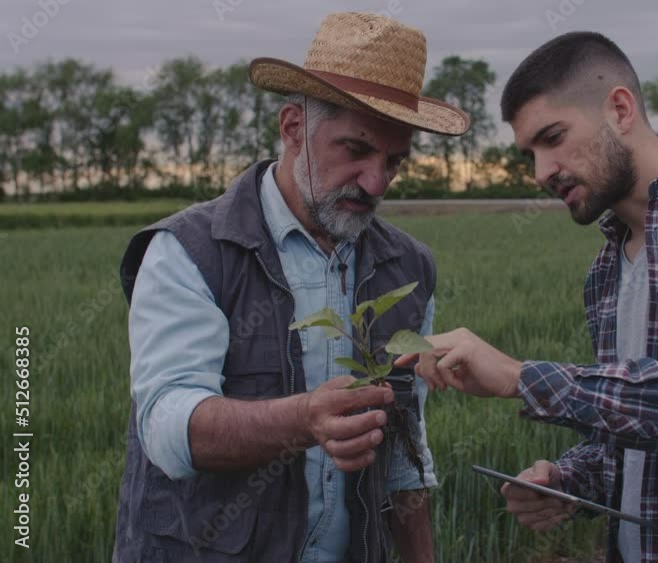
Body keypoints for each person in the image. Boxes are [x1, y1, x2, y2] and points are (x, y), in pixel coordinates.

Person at [400, 31, 658, 562]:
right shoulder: (605, 271)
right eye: (530, 153)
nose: (540, 172)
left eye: (552, 137)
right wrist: (569, 480)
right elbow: (638, 435)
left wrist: (520, 376)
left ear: (619, 109)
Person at [114, 13, 469, 563]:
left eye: (393, 162)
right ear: (293, 127)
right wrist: (304, 419)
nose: (376, 183)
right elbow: (167, 427)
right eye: (355, 149)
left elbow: (404, 446)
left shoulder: (409, 268)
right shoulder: (192, 250)